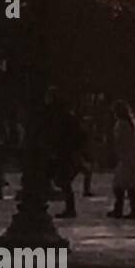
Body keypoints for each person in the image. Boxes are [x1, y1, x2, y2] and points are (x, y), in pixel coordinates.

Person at [46, 88, 85, 219]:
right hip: (65, 151)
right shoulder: (67, 116)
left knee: (63, 180)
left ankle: (70, 208)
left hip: (63, 152)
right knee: (63, 180)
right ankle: (69, 207)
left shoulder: (60, 117)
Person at [108, 100, 135, 220]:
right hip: (131, 156)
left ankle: (121, 208)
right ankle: (133, 208)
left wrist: (116, 153)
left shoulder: (121, 124)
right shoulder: (130, 123)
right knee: (129, 184)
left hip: (126, 157)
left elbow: (120, 141)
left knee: (120, 184)